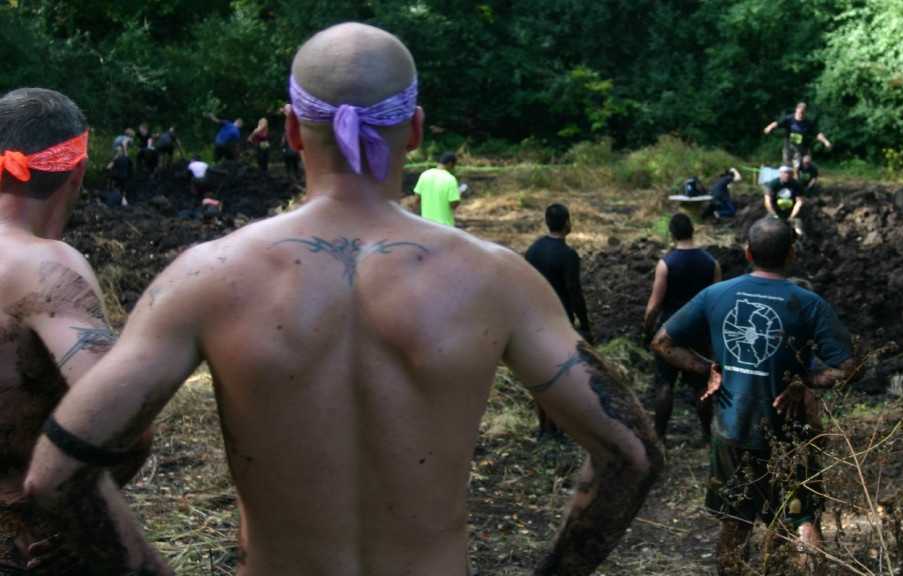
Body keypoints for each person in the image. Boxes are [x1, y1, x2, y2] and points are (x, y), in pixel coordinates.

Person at [25, 23, 663, 576]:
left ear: (294, 132)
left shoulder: (208, 276)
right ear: (413, 129)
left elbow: (56, 474)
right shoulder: (496, 279)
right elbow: (630, 455)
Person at [0, 88, 165, 575]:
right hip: (25, 544)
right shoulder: (46, 268)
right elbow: (126, 422)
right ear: (77, 171)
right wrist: (75, 515)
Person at [651, 217, 853, 575]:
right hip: (790, 433)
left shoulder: (716, 295)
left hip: (733, 428)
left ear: (747, 252)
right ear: (792, 254)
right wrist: (803, 379)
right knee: (801, 519)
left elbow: (662, 342)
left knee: (735, 522)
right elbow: (849, 367)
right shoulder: (808, 303)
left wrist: (708, 369)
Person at [643, 213, 720, 441]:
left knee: (665, 384)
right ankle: (707, 434)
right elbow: (716, 303)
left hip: (670, 331)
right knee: (701, 386)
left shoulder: (666, 263)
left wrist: (648, 328)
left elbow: (655, 304)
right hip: (699, 331)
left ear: (672, 234)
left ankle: (660, 435)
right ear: (692, 231)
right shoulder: (711, 263)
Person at [524, 203, 593, 439]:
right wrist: (585, 323)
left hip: (534, 319)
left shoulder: (533, 250)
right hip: (559, 319)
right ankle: (557, 426)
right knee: (560, 375)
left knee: (540, 374)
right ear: (567, 223)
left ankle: (544, 427)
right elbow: (574, 291)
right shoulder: (568, 255)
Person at [763, 102, 833, 168]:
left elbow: (817, 134)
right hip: (789, 145)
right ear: (796, 110)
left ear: (805, 112)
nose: (801, 115)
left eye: (803, 113)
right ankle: (786, 177)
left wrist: (826, 141)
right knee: (787, 164)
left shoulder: (808, 123)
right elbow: (777, 123)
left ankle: (797, 178)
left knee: (798, 165)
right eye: (800, 112)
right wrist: (769, 127)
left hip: (800, 147)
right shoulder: (788, 119)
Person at [412, 151, 460, 226]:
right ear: (450, 164)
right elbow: (453, 204)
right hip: (445, 227)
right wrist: (458, 196)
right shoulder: (450, 179)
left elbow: (416, 199)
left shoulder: (425, 175)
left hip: (426, 225)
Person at [763, 165, 805, 235]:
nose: (787, 175)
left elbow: (799, 202)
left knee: (799, 231)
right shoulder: (773, 184)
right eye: (785, 173)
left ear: (792, 174)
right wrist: (774, 214)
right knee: (764, 229)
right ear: (780, 173)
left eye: (789, 173)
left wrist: (792, 216)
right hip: (776, 211)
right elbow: (767, 200)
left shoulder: (797, 185)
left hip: (792, 211)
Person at [280, 104, 302, 181]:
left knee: (292, 163)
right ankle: (292, 177)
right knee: (291, 163)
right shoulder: (291, 119)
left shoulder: (292, 120)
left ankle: (293, 177)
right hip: (290, 146)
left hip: (291, 146)